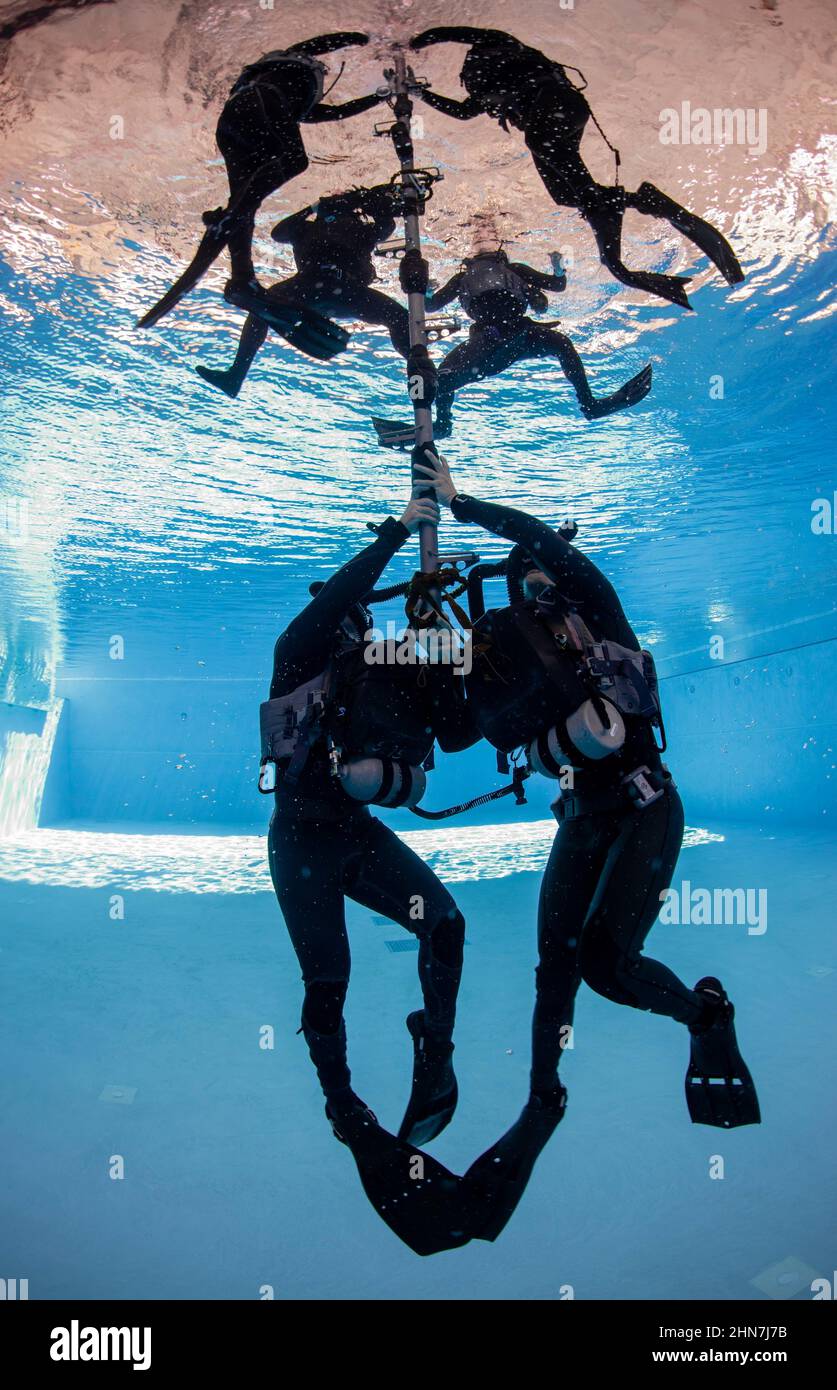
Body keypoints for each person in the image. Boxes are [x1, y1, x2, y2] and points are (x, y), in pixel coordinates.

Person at [414, 447, 760, 1233]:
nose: (534, 587)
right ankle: (542, 1099)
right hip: (579, 816)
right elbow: (455, 735)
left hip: (644, 807)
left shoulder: (598, 615)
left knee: (608, 965)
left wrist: (461, 504)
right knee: (554, 968)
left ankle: (704, 1016)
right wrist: (431, 645)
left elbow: (543, 539)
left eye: (542, 578)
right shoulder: (505, 654)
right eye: (522, 584)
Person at [262, 491, 480, 1156]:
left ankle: (435, 1049)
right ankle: (342, 1102)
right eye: (343, 614)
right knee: (328, 980)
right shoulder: (297, 654)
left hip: (354, 835)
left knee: (444, 924)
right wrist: (399, 532)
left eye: (356, 621)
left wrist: (447, 653)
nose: (349, 627)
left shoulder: (381, 670)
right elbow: (335, 598)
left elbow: (458, 733)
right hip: (300, 840)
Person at [408, 28, 745, 309]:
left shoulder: (501, 48)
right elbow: (464, 112)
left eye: (471, 79)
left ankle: (616, 204)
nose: (472, 83)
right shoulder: (490, 84)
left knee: (544, 147)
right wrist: (420, 93)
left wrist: (423, 39)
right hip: (558, 118)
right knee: (565, 196)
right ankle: (637, 202)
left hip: (557, 105)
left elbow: (462, 33)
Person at [137, 33, 385, 351]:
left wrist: (379, 97)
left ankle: (242, 277)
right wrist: (361, 38)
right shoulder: (289, 67)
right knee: (293, 161)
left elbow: (337, 112)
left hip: (237, 124)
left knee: (246, 202)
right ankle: (231, 219)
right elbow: (313, 47)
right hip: (260, 101)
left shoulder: (299, 99)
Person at [373, 247, 651, 445]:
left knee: (560, 344)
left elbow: (554, 287)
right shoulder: (481, 276)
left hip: (514, 335)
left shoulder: (509, 272)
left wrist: (558, 268)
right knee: (442, 376)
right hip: (495, 339)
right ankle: (442, 424)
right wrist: (426, 288)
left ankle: (590, 405)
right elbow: (431, 304)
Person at [197, 184, 411, 395]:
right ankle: (235, 375)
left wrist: (369, 202)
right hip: (311, 288)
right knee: (260, 307)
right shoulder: (305, 228)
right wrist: (313, 207)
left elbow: (386, 227)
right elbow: (278, 233)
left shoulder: (360, 230)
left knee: (401, 317)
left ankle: (418, 367)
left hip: (344, 291)